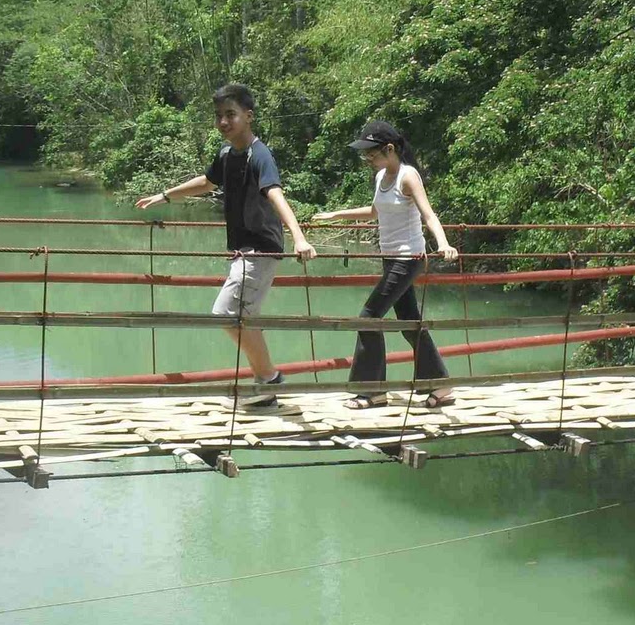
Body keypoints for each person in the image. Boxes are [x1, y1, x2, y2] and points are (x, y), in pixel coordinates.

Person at [136, 83, 316, 408]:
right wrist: (164, 195)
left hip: (260, 249)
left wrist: (299, 237)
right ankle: (266, 383)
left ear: (248, 116)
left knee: (226, 313)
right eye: (219, 116)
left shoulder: (259, 155)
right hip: (243, 251)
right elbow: (207, 182)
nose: (223, 122)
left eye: (230, 115)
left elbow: (275, 193)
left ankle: (270, 380)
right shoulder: (227, 154)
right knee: (241, 317)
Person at [310, 121, 459, 410]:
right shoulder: (381, 177)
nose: (368, 159)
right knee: (409, 323)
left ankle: (373, 391)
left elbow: (428, 214)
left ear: (390, 149)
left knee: (369, 316)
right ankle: (440, 385)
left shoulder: (408, 176)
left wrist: (443, 243)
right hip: (390, 259)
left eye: (372, 154)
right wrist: (335, 215)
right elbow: (375, 211)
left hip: (408, 259)